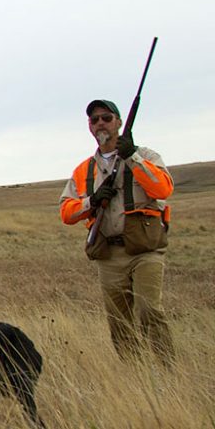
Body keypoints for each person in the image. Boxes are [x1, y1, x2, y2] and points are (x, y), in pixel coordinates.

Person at [60, 99, 174, 364]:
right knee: (118, 321)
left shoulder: (146, 156)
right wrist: (92, 200)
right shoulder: (84, 169)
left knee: (149, 310)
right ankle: (134, 374)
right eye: (94, 119)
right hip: (109, 254)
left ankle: (168, 372)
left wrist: (132, 157)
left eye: (106, 118)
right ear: (89, 127)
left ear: (120, 122)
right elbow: (66, 212)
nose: (100, 123)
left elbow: (163, 189)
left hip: (145, 249)